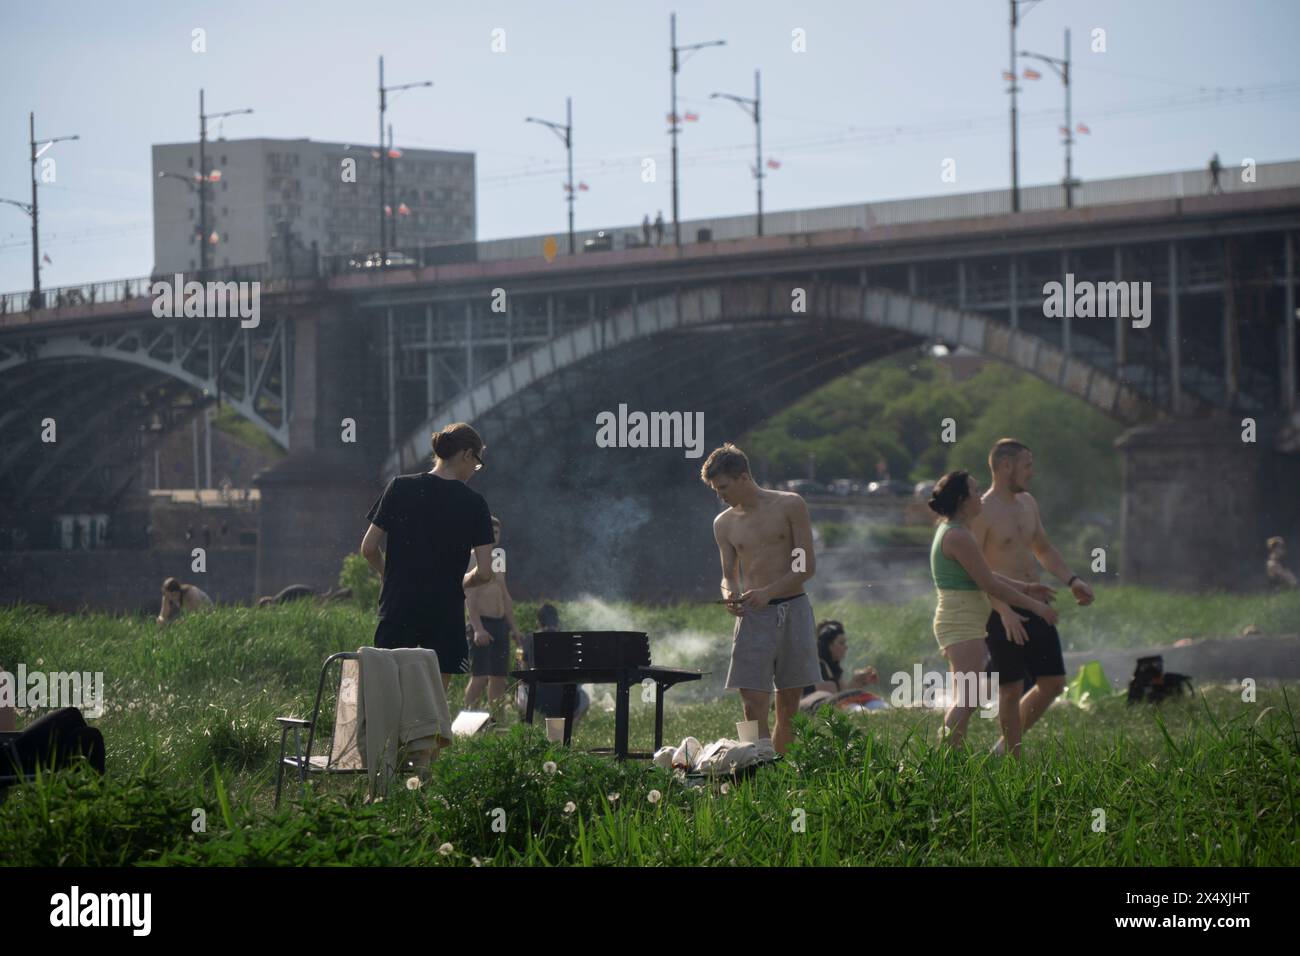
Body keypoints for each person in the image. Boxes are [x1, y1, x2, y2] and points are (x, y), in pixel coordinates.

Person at [969, 439, 1094, 757]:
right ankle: (1012, 756)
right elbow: (976, 571)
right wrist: (1003, 611)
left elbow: (1043, 548)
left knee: (1053, 682)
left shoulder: (1028, 503)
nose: (1032, 472)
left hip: (1035, 600)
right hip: (1000, 608)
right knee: (1010, 689)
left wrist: (1072, 579)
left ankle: (1002, 748)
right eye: (1027, 465)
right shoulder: (983, 511)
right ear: (1005, 466)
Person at [703, 442, 820, 759]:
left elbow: (805, 566)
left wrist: (769, 592)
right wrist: (729, 595)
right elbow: (728, 575)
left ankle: (784, 771)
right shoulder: (723, 523)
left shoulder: (790, 505)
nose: (720, 495)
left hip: (793, 609)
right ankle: (759, 765)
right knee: (751, 700)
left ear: (743, 477)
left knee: (789, 704)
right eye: (715, 489)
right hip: (753, 617)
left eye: (723, 487)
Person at [928, 470, 1058, 751]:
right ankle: (942, 759)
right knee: (969, 698)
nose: (981, 496)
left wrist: (1026, 588)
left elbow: (987, 575)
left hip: (964, 623)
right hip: (960, 623)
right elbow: (989, 584)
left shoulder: (957, 532)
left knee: (967, 696)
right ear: (963, 500)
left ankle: (952, 758)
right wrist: (1036, 607)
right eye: (975, 491)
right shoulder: (958, 536)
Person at [360, 422, 496, 688]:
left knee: (389, 694)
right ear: (467, 454)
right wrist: (463, 582)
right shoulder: (475, 504)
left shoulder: (399, 487)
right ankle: (424, 732)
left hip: (398, 605)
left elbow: (368, 548)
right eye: (477, 463)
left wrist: (388, 577)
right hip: (445, 612)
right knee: (432, 706)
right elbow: (486, 572)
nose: (474, 470)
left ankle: (390, 732)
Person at [465, 516, 524, 714]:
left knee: (498, 677)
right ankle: (467, 722)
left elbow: (504, 594)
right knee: (480, 677)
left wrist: (514, 627)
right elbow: (470, 595)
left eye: (497, 532)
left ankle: (496, 723)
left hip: (500, 623)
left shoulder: (498, 556)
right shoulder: (472, 557)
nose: (494, 536)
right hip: (482, 623)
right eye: (490, 531)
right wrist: (477, 628)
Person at [515, 603, 590, 727]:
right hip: (569, 701)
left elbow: (524, 674)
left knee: (520, 690)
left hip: (537, 701)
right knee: (585, 696)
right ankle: (570, 726)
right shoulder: (571, 639)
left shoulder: (529, 639)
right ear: (557, 620)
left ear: (539, 622)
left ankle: (532, 725)